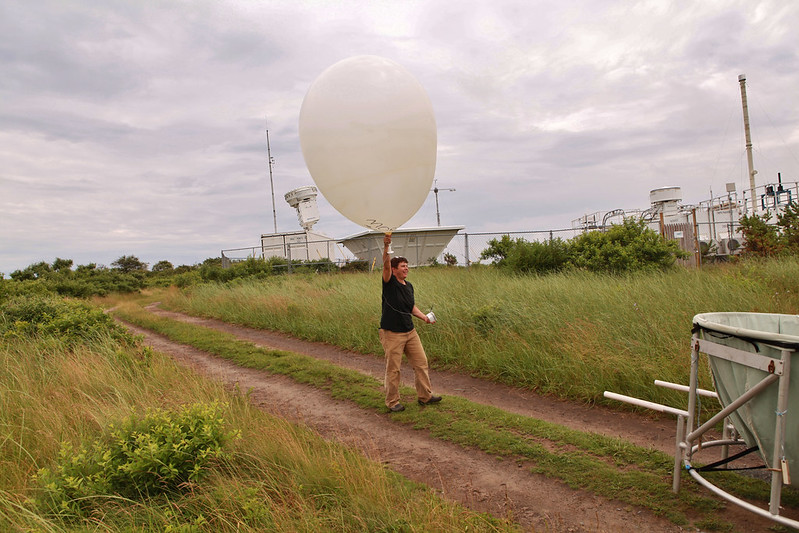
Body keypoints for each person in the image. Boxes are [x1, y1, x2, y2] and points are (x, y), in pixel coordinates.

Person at [379, 233, 442, 412]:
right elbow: (385, 263)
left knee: (421, 363)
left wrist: (424, 317)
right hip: (392, 333)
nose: (406, 269)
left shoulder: (409, 285)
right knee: (394, 369)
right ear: (394, 269)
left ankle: (425, 396)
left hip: (410, 331)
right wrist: (386, 247)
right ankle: (392, 402)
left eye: (407, 266)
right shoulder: (389, 281)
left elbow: (411, 307)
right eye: (402, 266)